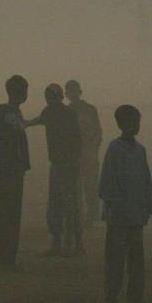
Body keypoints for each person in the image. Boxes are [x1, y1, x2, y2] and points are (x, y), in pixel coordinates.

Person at [99, 104, 152, 303]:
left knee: (136, 259)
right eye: (133, 121)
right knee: (116, 258)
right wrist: (114, 204)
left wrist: (149, 200)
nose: (136, 125)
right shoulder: (115, 149)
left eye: (137, 121)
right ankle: (112, 296)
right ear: (122, 124)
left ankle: (135, 297)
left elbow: (146, 178)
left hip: (136, 213)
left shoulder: (140, 151)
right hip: (119, 215)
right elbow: (107, 181)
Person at [30, 83, 83, 257]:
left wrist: (24, 123)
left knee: (61, 204)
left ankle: (64, 242)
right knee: (68, 203)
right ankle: (72, 242)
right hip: (67, 164)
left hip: (64, 164)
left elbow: (37, 121)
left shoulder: (52, 112)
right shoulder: (66, 113)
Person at [0, 75, 31, 272]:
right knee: (11, 214)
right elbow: (16, 135)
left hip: (7, 169)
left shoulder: (8, 112)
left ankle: (6, 255)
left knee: (8, 213)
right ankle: (7, 257)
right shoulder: (10, 113)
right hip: (11, 170)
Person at [64, 80, 102, 230]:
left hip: (89, 154)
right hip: (75, 156)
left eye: (74, 91)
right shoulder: (66, 112)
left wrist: (92, 149)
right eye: (69, 91)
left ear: (79, 92)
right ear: (66, 94)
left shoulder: (90, 109)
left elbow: (98, 132)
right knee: (76, 188)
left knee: (90, 187)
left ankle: (90, 218)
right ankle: (79, 216)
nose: (72, 94)